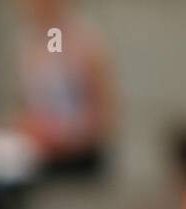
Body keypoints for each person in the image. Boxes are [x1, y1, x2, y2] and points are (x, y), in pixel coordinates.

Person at [15, 0, 114, 180]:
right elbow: (33, 105)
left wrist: (65, 137)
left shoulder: (83, 40)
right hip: (44, 149)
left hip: (78, 154)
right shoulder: (29, 40)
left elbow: (104, 113)